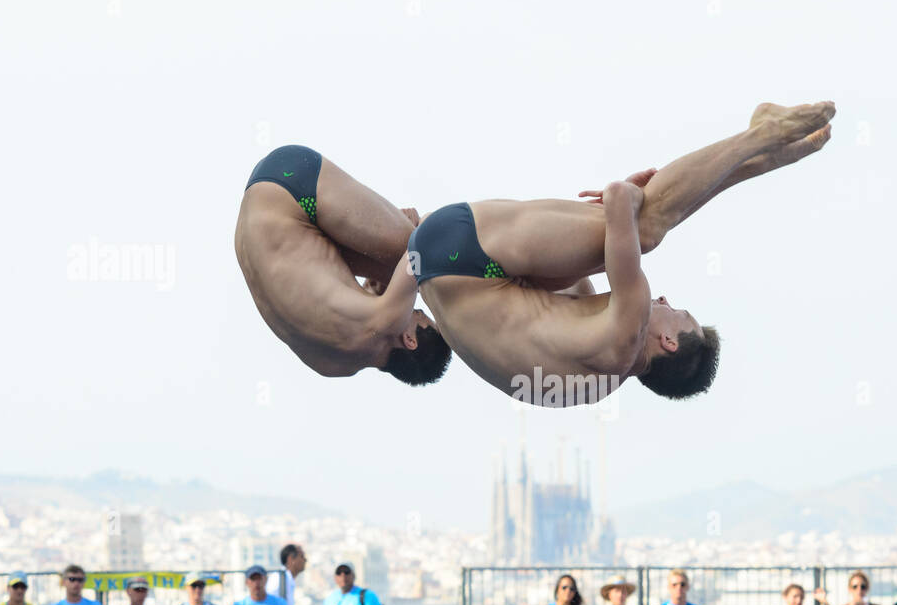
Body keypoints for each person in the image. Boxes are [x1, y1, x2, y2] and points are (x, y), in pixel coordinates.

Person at [408, 103, 835, 406]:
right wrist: (605, 229)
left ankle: (763, 136)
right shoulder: (598, 380)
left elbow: (617, 197)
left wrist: (623, 208)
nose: (666, 301)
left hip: (464, 251)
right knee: (635, 224)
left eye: (678, 312)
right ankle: (765, 155)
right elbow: (565, 283)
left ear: (667, 343)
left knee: (646, 229)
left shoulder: (626, 337)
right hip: (438, 262)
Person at [236, 144, 447, 383]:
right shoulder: (332, 366)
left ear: (410, 340)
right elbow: (335, 292)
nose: (414, 309)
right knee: (397, 276)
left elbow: (420, 250)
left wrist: (418, 229)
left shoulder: (387, 321)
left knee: (421, 260)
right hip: (256, 203)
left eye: (418, 313)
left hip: (294, 182)